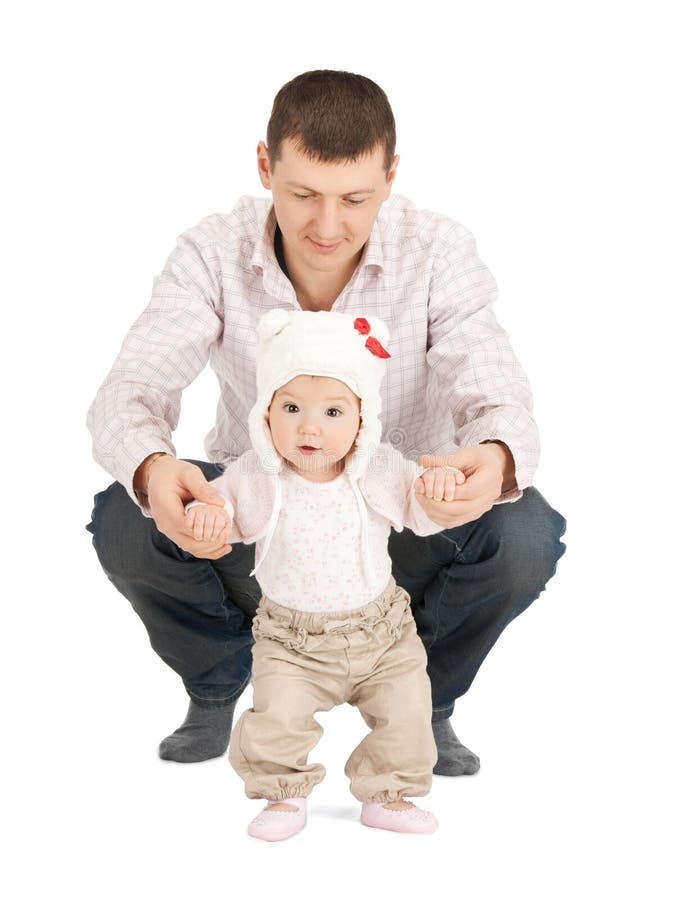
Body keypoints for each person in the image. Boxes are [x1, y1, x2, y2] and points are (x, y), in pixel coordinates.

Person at [86, 69, 566, 776]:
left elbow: (496, 392)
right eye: (303, 194)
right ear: (265, 167)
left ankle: (422, 701)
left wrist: (492, 458)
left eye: (355, 198)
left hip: (402, 523)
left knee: (525, 532)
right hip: (262, 523)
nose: (327, 227)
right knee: (127, 518)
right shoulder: (211, 252)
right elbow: (130, 389)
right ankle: (219, 682)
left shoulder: (437, 251)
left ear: (390, 176)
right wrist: (155, 470)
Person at [189, 308, 454, 840]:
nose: (309, 427)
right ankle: (283, 795)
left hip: (381, 633)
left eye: (333, 411)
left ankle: (389, 793)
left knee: (407, 711)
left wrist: (436, 490)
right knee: (277, 719)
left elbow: (420, 512)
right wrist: (206, 514)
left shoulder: (380, 467)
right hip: (292, 640)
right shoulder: (257, 474)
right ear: (266, 414)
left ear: (363, 419)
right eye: (291, 408)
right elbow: (224, 513)